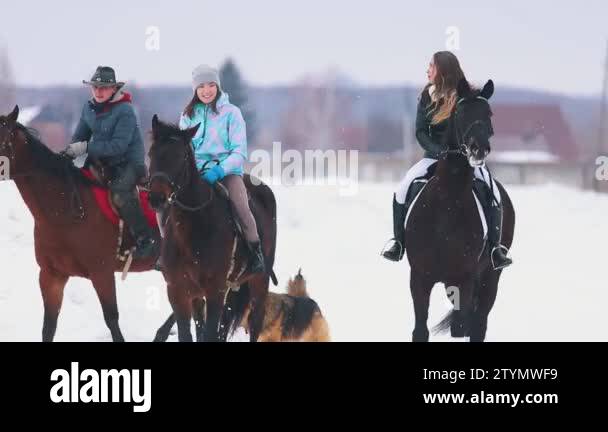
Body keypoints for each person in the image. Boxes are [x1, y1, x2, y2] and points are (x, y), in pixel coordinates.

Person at [382, 51, 512, 270]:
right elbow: (421, 132)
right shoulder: (426, 96)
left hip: (466, 160)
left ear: (441, 69)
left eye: (431, 66)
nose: (427, 71)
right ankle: (398, 243)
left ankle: (494, 249)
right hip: (433, 157)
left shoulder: (466, 95)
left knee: (493, 193)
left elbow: (477, 124)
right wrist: (438, 150)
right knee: (402, 190)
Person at [157, 64, 265, 274]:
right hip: (194, 173)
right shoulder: (188, 115)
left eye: (210, 85)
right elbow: (183, 148)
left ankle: (255, 252)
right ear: (195, 90)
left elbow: (239, 152)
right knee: (164, 205)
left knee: (241, 206)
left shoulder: (232, 113)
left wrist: (218, 171)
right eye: (201, 87)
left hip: (226, 172)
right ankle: (166, 250)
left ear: (218, 86)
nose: (206, 90)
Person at [64, 66, 159, 260]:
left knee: (119, 192)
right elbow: (78, 140)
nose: (98, 91)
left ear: (114, 89)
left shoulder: (126, 111)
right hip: (101, 162)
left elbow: (118, 147)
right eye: (95, 87)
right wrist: (68, 154)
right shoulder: (88, 108)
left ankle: (145, 239)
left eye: (103, 87)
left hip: (129, 164)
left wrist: (85, 148)